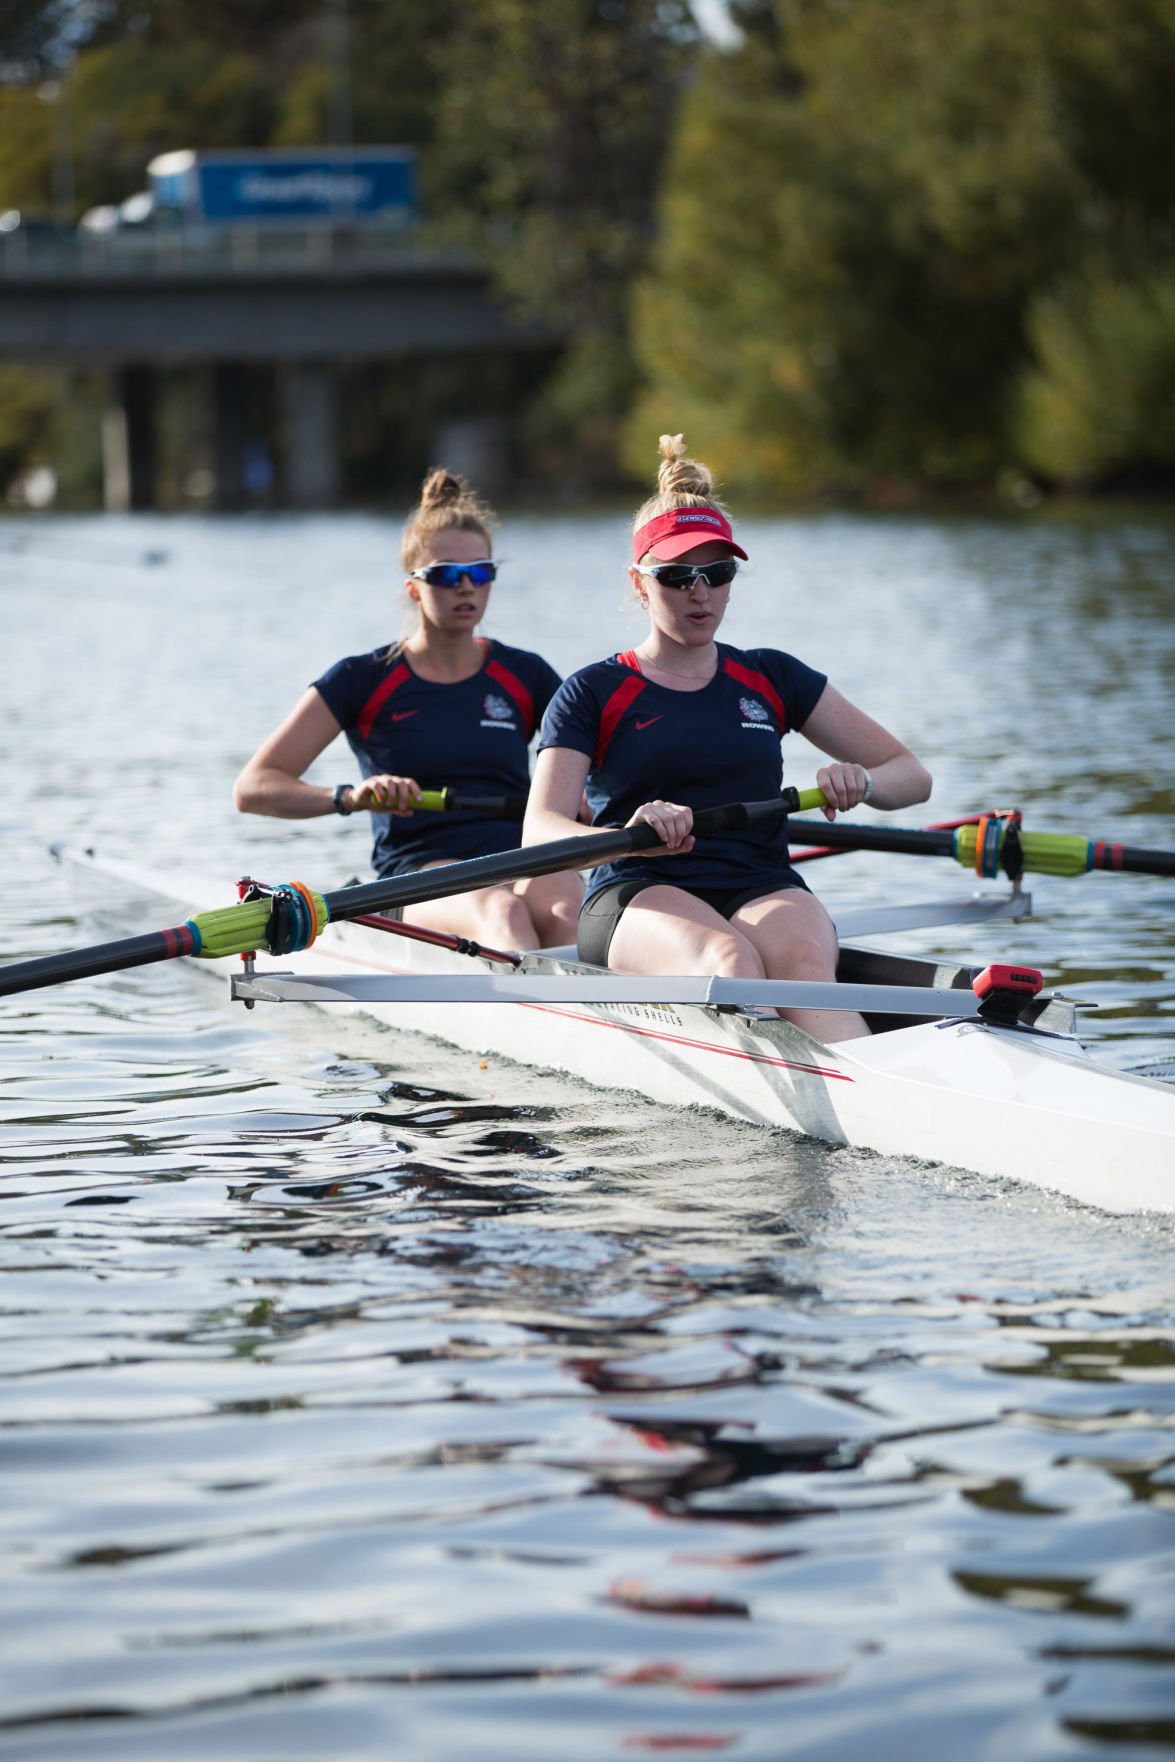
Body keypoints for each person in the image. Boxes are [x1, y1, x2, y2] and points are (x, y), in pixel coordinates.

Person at [522, 434, 932, 1040]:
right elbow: (541, 831)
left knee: (803, 972)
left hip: (760, 881)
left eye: (716, 573)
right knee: (730, 963)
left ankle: (883, 1097)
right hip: (637, 891)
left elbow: (912, 778)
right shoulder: (592, 691)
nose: (700, 591)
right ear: (639, 583)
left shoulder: (771, 676)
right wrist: (628, 837)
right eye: (677, 575)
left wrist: (863, 781)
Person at [234, 467, 580, 950]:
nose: (466, 586)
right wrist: (349, 797)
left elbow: (602, 771)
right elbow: (253, 788)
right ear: (413, 587)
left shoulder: (526, 675)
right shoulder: (361, 679)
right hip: (417, 872)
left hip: (519, 855)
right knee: (505, 915)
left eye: (480, 572)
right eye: (447, 575)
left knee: (570, 917)